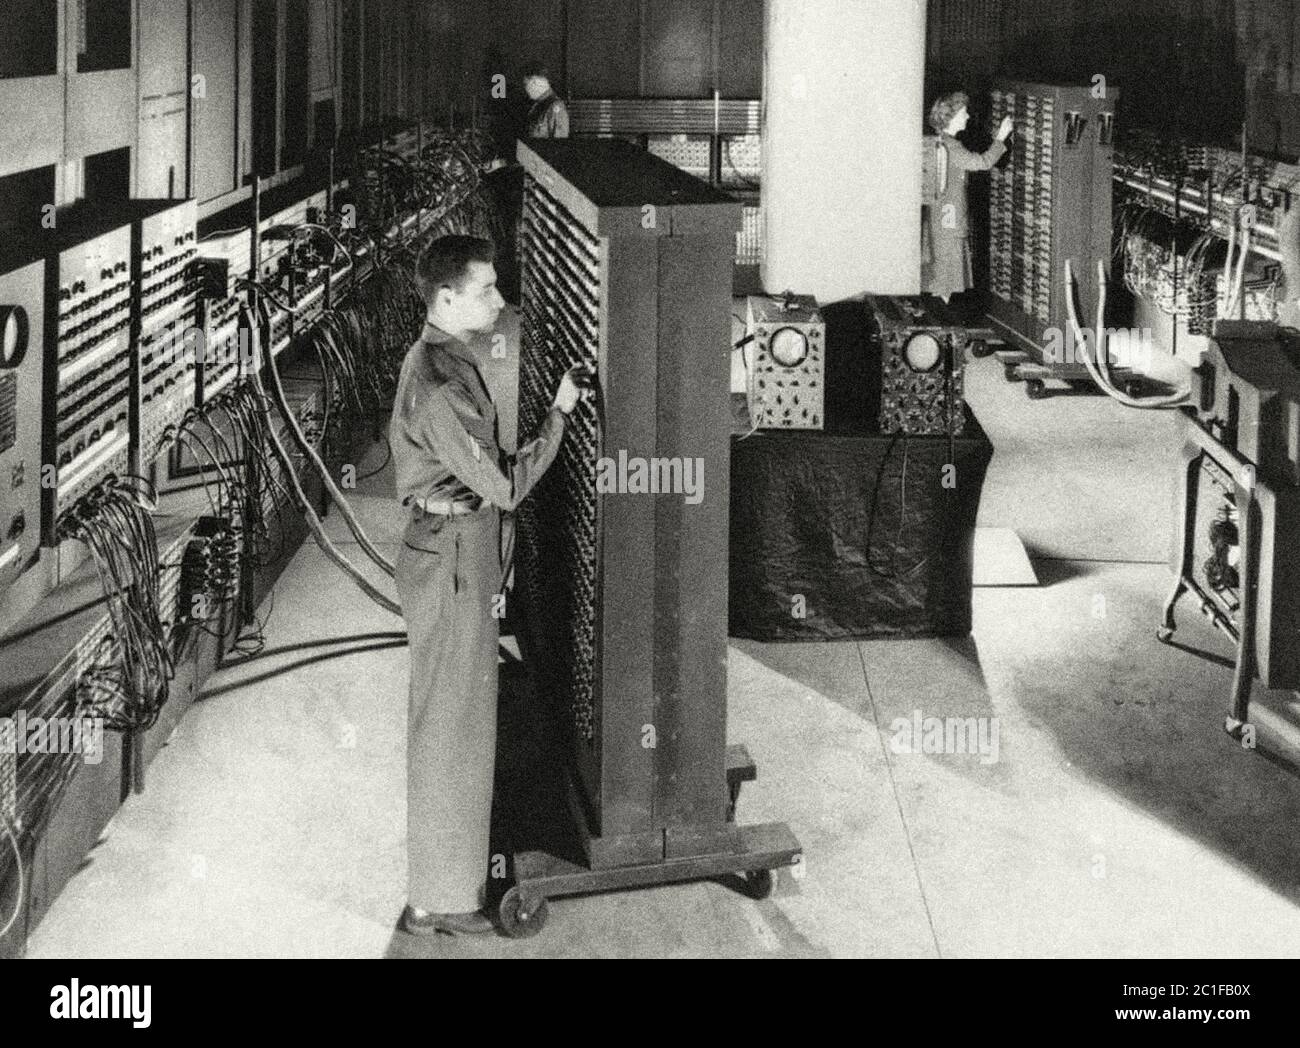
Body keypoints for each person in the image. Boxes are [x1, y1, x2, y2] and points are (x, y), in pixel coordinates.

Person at [390, 235, 590, 935]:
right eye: (486, 290)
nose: (500, 302)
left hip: (456, 550)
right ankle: (436, 902)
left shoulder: (447, 356)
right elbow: (504, 484)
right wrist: (560, 415)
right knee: (450, 729)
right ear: (446, 299)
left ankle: (443, 884)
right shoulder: (440, 384)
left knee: (460, 724)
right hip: (451, 561)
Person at [925, 91, 1014, 304]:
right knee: (946, 281)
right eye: (963, 113)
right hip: (950, 222)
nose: (967, 117)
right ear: (951, 117)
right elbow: (982, 163)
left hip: (938, 219)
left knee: (940, 276)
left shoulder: (937, 141)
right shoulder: (952, 147)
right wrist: (1001, 137)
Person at [522, 62, 569, 139]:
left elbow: (560, 144)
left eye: (525, 84)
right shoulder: (537, 106)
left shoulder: (555, 107)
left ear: (534, 82)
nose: (525, 89)